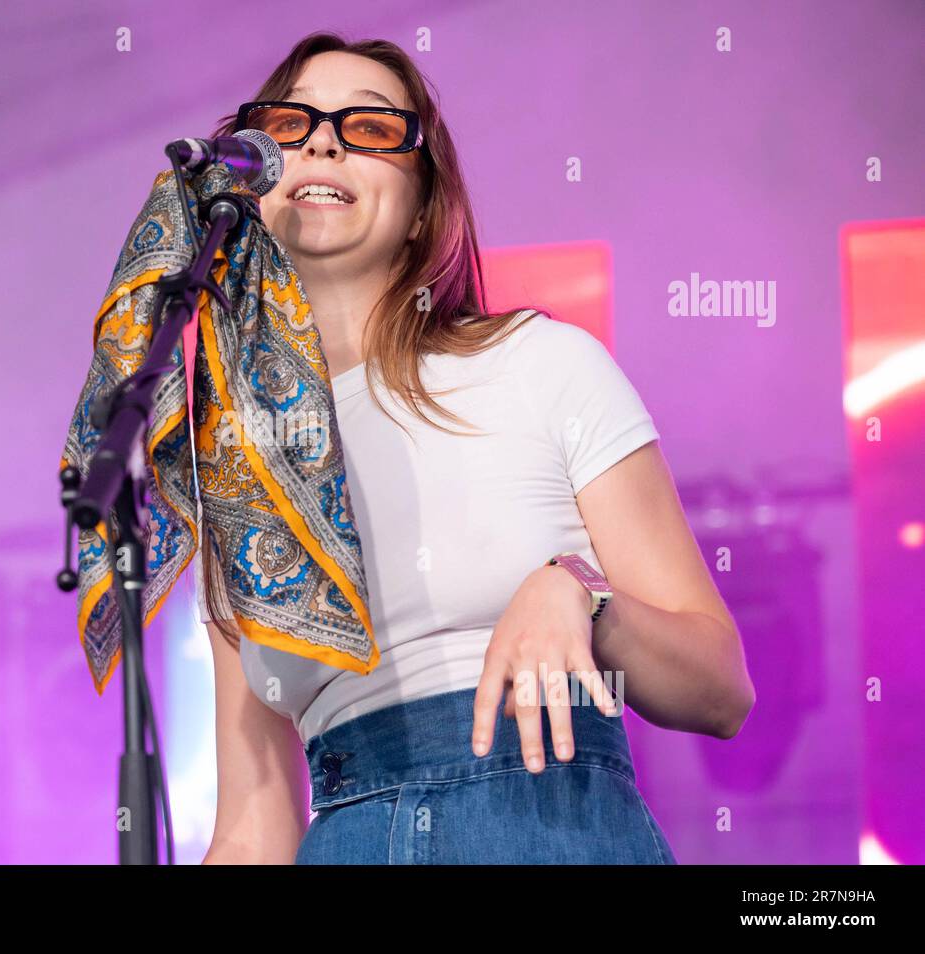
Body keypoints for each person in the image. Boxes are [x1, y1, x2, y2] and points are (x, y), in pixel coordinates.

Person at [196, 32, 754, 865]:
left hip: (547, 823)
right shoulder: (238, 466)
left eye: (370, 128)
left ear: (424, 206)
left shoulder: (538, 364)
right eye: (290, 123)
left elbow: (720, 690)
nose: (321, 140)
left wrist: (583, 597)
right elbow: (253, 822)